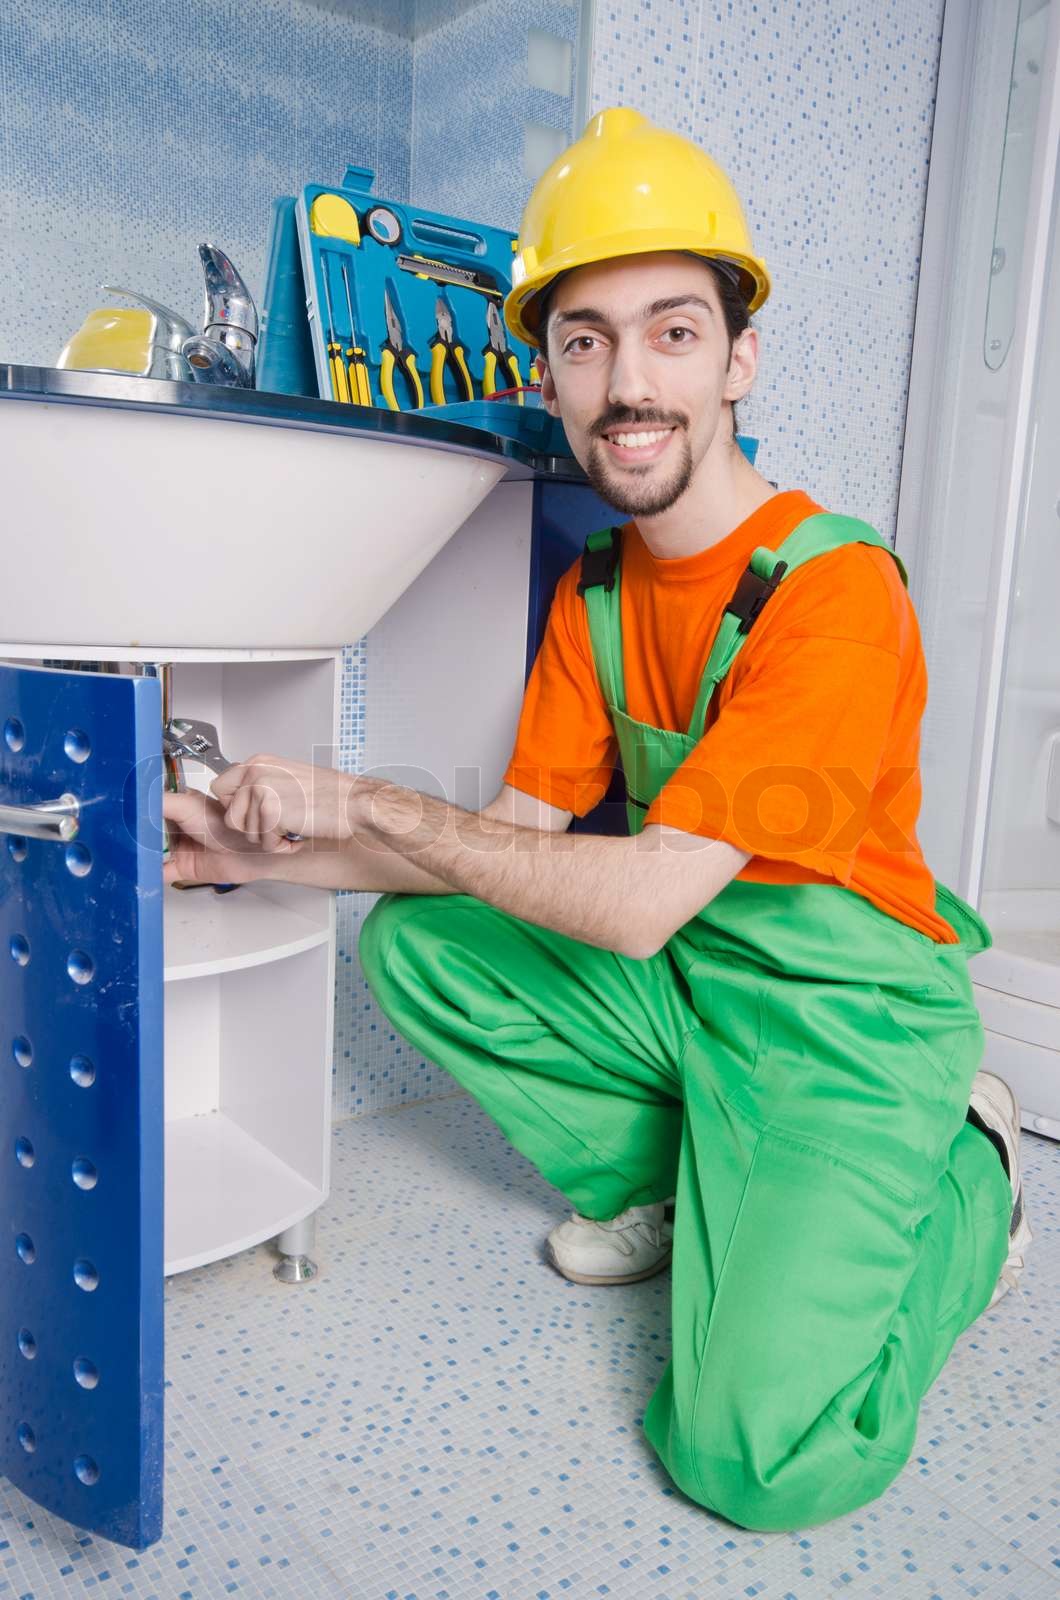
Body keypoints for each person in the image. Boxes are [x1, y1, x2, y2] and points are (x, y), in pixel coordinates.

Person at [162, 108, 1032, 1532]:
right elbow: (510, 836)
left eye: (672, 333)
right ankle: (691, 1191)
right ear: (550, 375)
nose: (629, 384)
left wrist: (359, 796)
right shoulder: (603, 590)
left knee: (755, 1460)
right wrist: (263, 857)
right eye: (586, 341)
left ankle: (972, 1180)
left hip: (845, 1017)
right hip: (694, 983)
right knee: (423, 945)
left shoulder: (832, 592)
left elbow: (633, 901)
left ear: (739, 358)